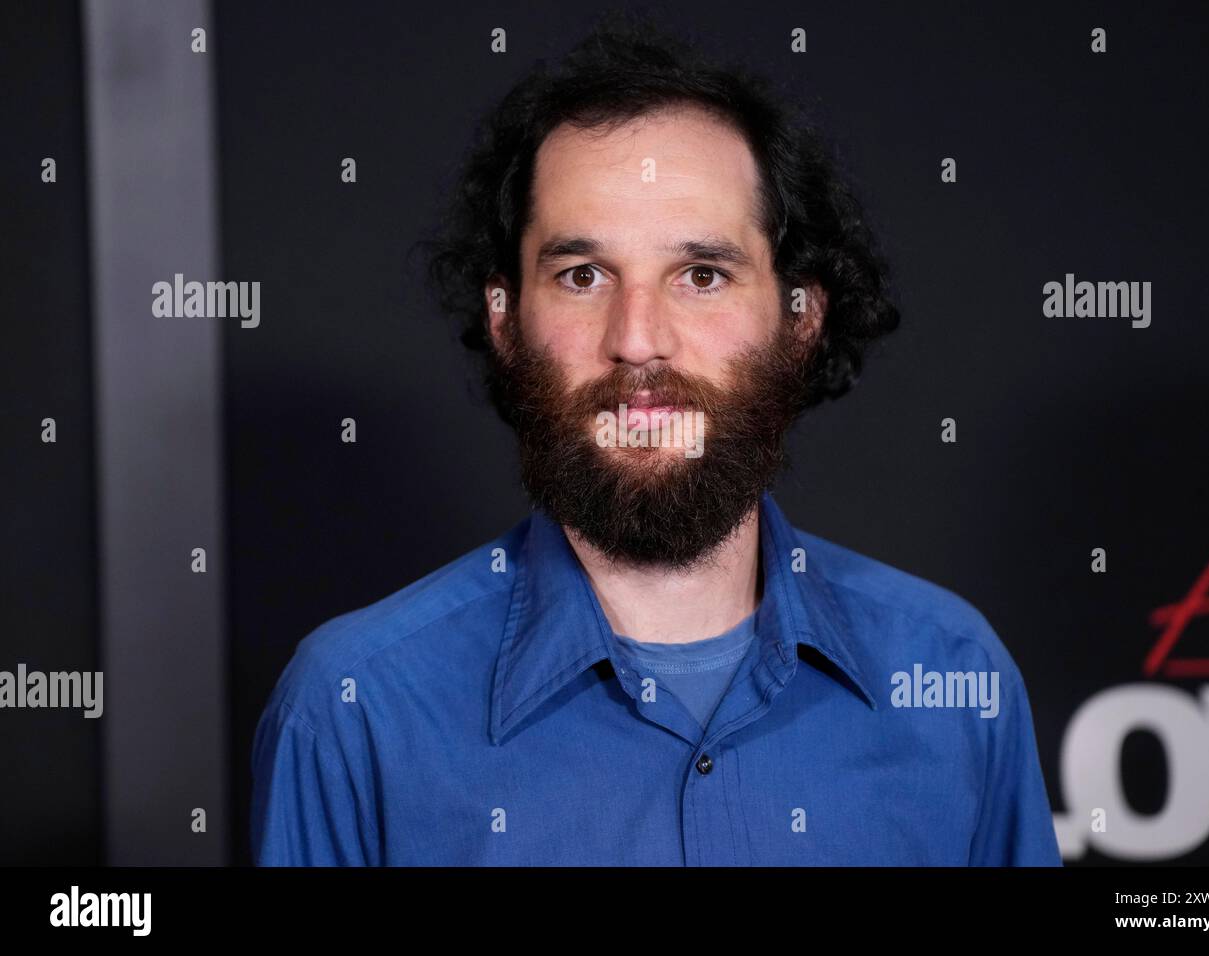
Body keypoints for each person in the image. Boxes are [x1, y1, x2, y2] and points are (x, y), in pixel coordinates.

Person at [250, 19, 1062, 866]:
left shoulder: (954, 674)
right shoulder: (354, 709)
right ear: (504, 319)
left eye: (702, 276)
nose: (637, 339)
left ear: (800, 320)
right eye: (582, 276)